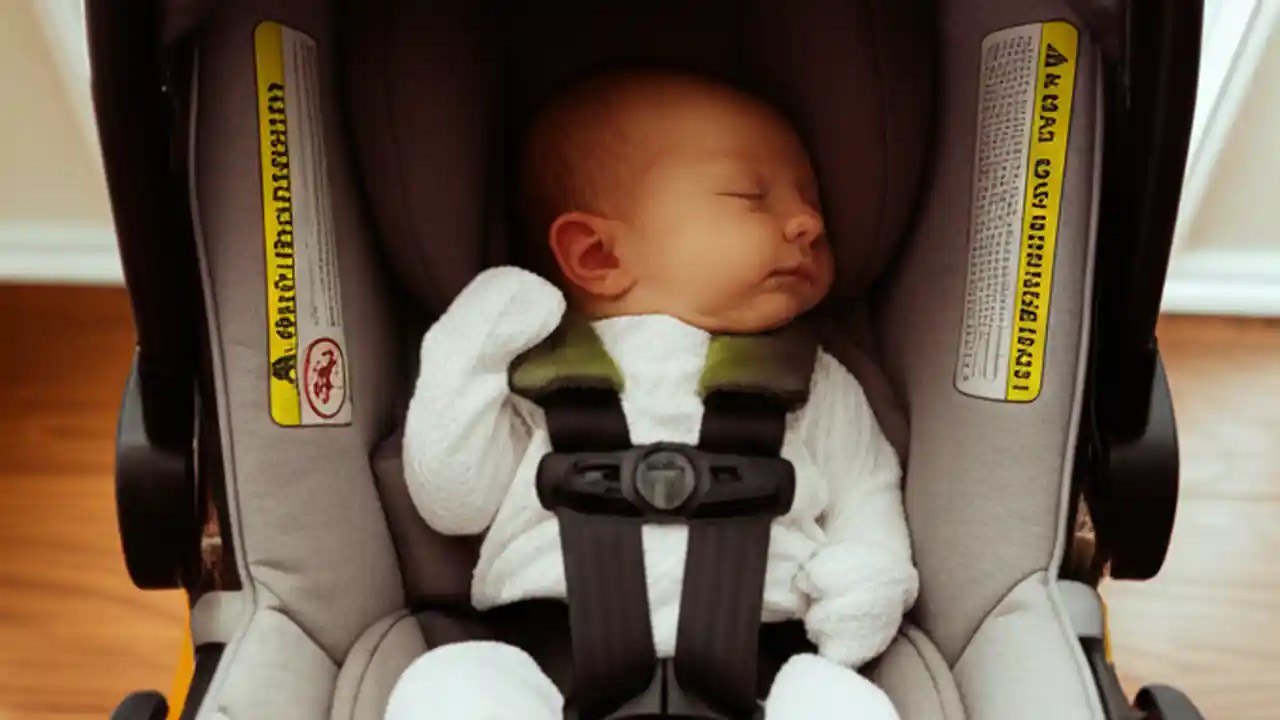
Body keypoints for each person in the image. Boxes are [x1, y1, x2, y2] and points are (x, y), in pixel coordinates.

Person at [386, 68, 916, 719]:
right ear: (598, 255)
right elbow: (455, 502)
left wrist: (870, 573)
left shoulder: (814, 381)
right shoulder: (532, 371)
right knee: (446, 685)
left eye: (813, 205)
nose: (807, 221)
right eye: (751, 196)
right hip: (550, 671)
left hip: (764, 674)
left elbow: (865, 490)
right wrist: (466, 349)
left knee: (846, 704)